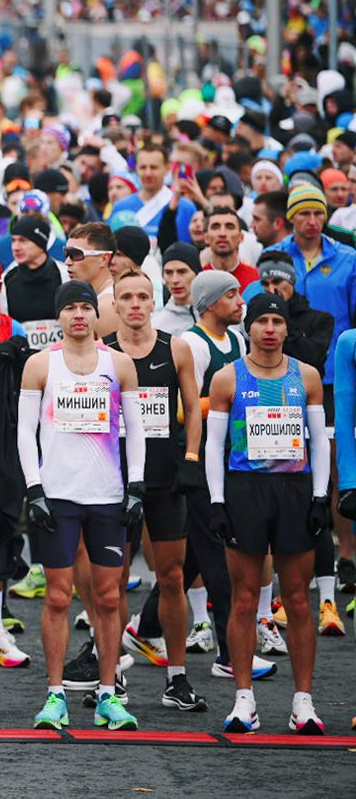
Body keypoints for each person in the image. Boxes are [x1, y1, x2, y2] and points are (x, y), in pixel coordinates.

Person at [18, 280, 145, 732]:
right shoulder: (40, 365)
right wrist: (34, 489)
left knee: (109, 598)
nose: (77, 315)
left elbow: (137, 429)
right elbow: (25, 432)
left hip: (108, 496)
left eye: (85, 307)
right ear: (59, 316)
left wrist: (136, 488)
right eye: (69, 307)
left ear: (96, 314)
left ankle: (109, 694)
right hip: (58, 496)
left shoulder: (121, 365)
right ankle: (55, 694)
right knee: (56, 595)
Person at [204, 293, 330, 735]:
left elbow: (320, 440)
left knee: (297, 598)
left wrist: (319, 499)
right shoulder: (227, 378)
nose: (271, 329)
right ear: (249, 328)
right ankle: (244, 700)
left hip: (294, 491)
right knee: (243, 597)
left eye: (278, 321)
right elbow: (213, 447)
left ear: (286, 329)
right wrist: (217, 502)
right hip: (245, 490)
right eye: (263, 321)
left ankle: (303, 703)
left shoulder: (306, 375)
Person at [105, 269, 207, 713]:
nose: (133, 304)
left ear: (153, 302)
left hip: (165, 478)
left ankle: (177, 678)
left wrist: (191, 458)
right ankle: (112, 676)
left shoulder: (176, 347)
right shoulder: (104, 352)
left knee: (171, 577)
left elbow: (193, 407)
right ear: (116, 304)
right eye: (125, 297)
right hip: (115, 479)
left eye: (142, 296)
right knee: (114, 583)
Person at [269, 183, 356, 373]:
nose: (312, 221)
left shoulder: (349, 258)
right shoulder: (272, 257)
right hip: (284, 368)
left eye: (318, 213)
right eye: (304, 213)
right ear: (291, 217)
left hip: (336, 367)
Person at [4, 215, 65, 348]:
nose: (16, 247)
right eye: (13, 241)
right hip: (22, 359)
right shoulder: (6, 280)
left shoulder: (65, 275)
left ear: (41, 243)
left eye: (23, 240)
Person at [152, 244, 202, 335]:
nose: (175, 280)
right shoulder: (157, 327)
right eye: (168, 273)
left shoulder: (216, 314)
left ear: (197, 273)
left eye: (182, 272)